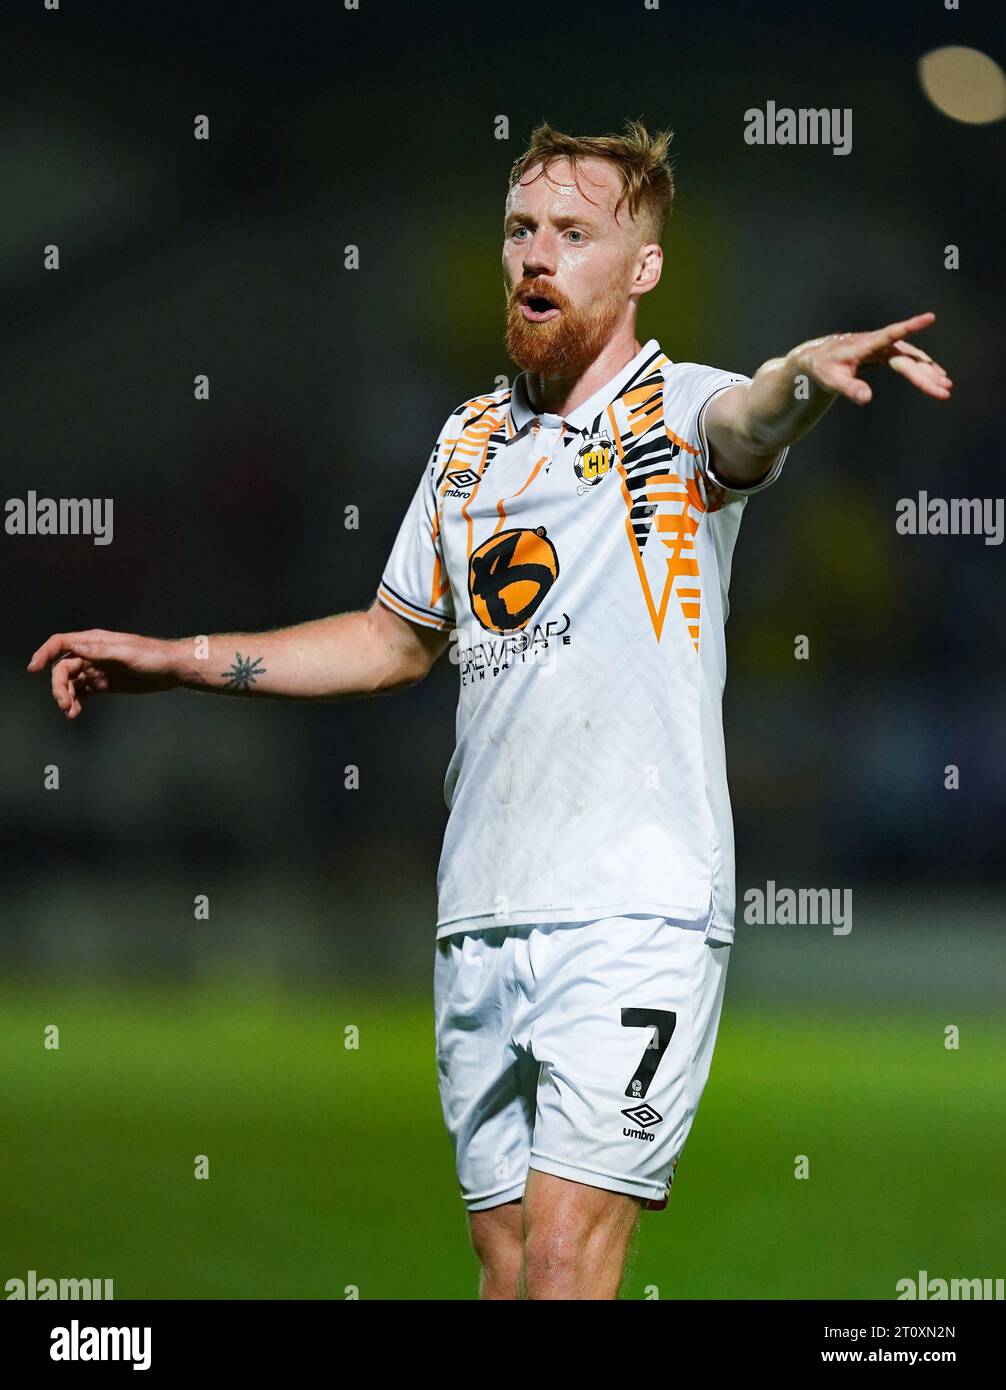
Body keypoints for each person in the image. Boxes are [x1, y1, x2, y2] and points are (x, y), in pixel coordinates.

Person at [27, 119, 952, 1300]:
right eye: (521, 228)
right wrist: (179, 657)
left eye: (574, 232)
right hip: (482, 907)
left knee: (568, 1255)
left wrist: (799, 382)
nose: (535, 254)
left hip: (633, 905)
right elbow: (388, 640)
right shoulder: (468, 444)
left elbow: (750, 422)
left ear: (642, 267)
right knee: (508, 1266)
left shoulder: (679, 413)